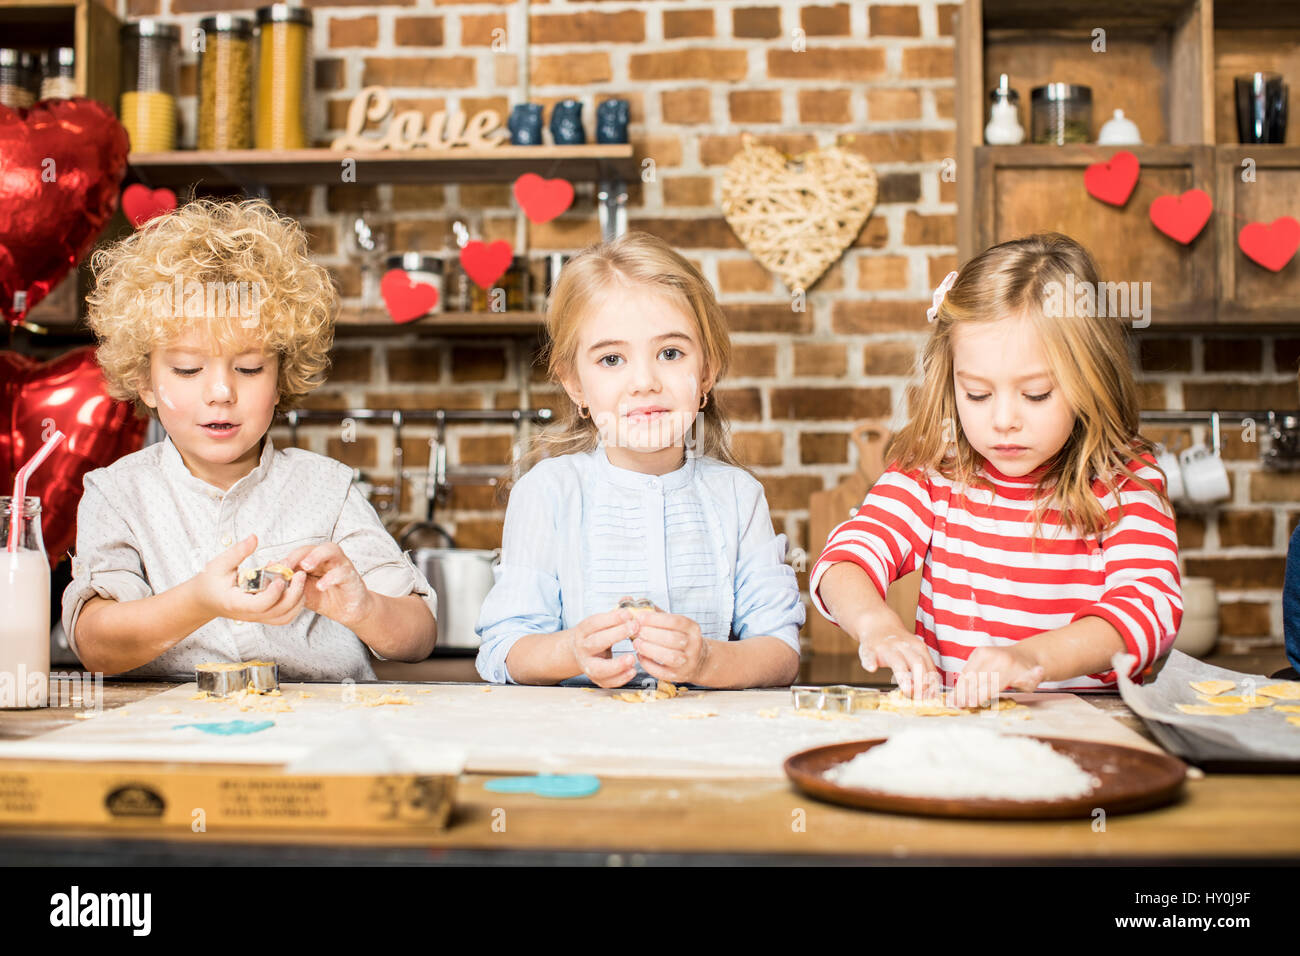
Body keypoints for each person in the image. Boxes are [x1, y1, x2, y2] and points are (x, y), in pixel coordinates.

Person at [62, 199, 437, 680]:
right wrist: (198, 600)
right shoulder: (118, 494)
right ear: (146, 381)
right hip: (170, 742)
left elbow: (419, 636)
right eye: (188, 369)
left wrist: (364, 608)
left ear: (281, 376)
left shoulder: (328, 488)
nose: (221, 392)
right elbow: (95, 646)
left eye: (249, 368)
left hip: (319, 739)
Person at [813, 233, 1181, 705]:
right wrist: (878, 626)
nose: (1004, 419)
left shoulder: (1123, 481)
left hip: (1089, 730)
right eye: (978, 394)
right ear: (951, 379)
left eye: (1036, 394)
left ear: (1089, 378)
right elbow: (844, 560)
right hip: (961, 738)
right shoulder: (933, 472)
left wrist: (1032, 657)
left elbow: (1149, 607)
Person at [475, 231, 804, 687]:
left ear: (705, 372)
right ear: (574, 383)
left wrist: (708, 662)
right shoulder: (547, 492)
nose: (644, 381)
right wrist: (572, 651)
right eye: (612, 359)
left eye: (670, 353)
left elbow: (781, 652)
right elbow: (504, 651)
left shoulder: (738, 496)